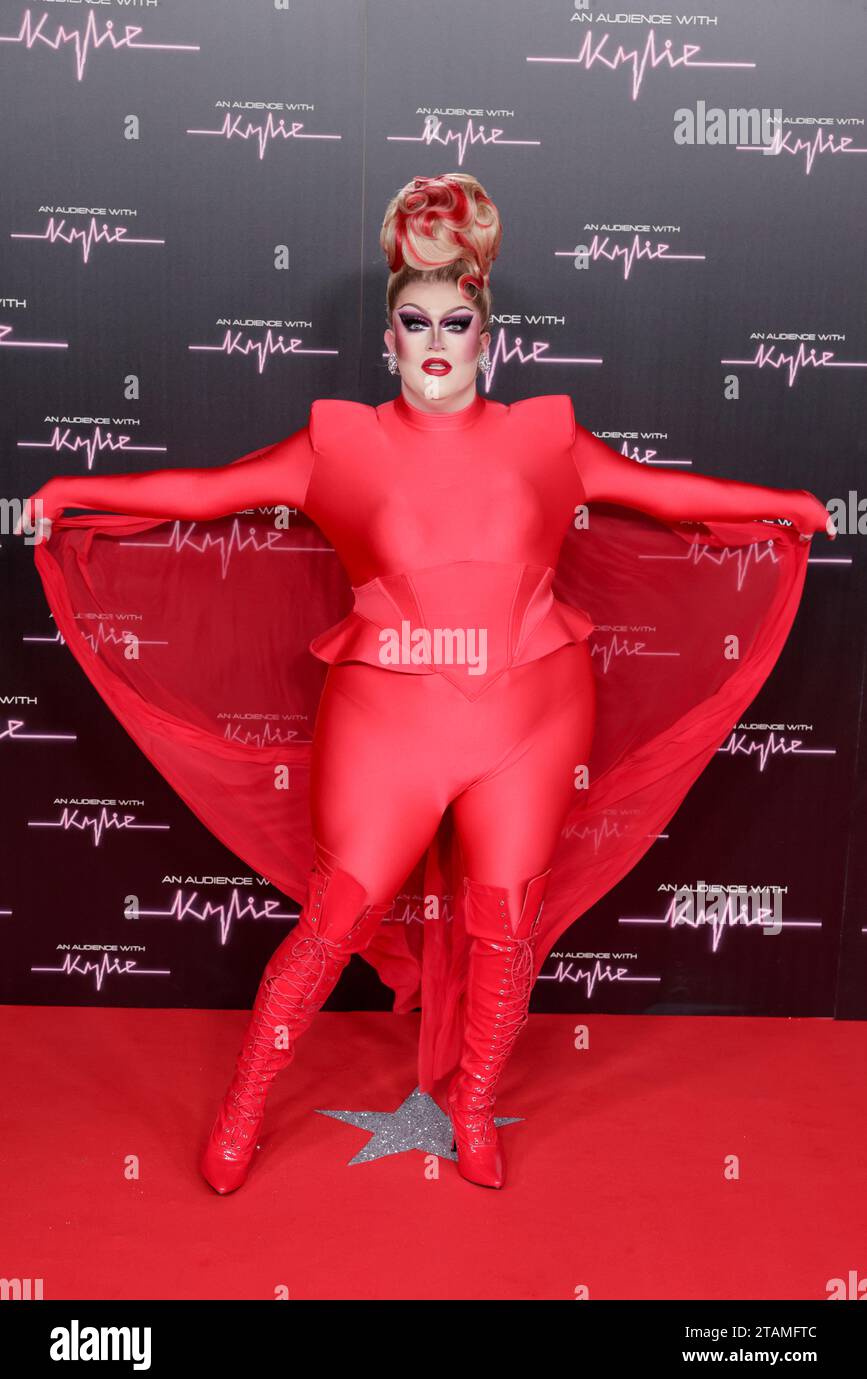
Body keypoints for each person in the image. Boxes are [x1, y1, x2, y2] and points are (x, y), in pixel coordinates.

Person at [18, 172, 834, 1195]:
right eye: (415, 319)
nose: (436, 339)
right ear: (390, 337)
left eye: (457, 318)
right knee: (334, 917)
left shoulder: (547, 437)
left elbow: (663, 494)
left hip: (533, 716)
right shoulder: (336, 444)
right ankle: (242, 1107)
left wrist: (787, 506)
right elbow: (205, 491)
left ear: (487, 332)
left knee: (504, 921)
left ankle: (476, 1106)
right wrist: (72, 489)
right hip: (385, 720)